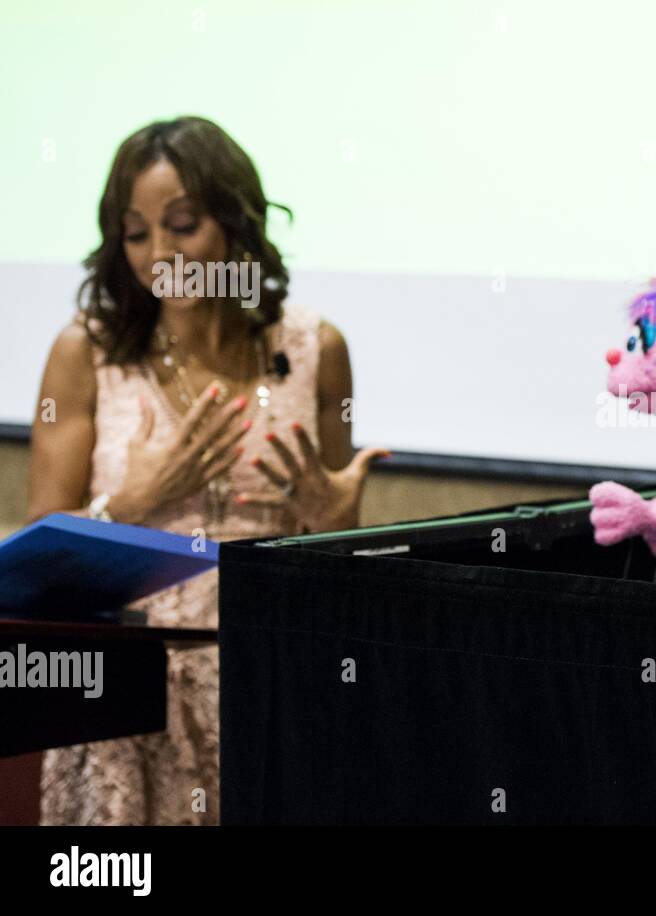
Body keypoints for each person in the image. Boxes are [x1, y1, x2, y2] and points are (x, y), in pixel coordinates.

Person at [27, 116, 388, 825]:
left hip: (271, 689)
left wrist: (335, 520)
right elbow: (43, 558)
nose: (160, 254)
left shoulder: (317, 348)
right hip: (129, 700)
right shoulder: (85, 353)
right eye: (136, 234)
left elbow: (338, 550)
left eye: (183, 225)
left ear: (233, 222)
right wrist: (133, 498)